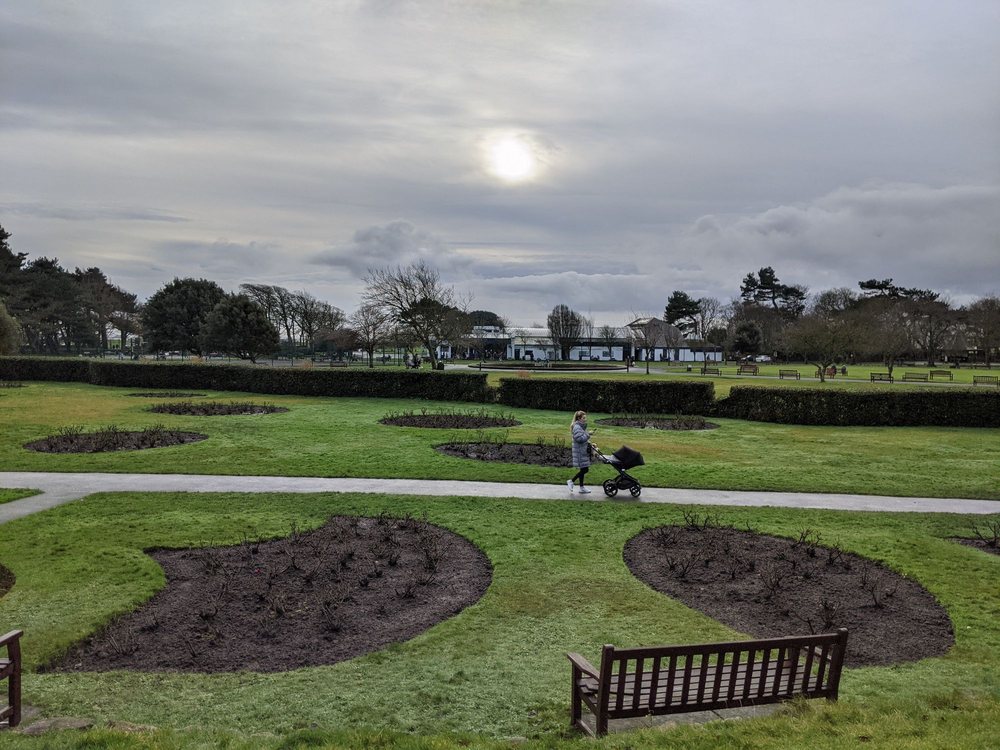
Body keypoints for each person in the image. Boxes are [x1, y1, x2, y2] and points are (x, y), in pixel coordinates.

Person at [567, 410, 596, 494]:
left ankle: (581, 488)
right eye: (584, 418)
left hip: (582, 450)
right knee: (585, 469)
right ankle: (571, 481)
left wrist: (589, 443)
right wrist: (588, 434)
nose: (585, 419)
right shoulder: (577, 427)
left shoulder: (580, 427)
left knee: (584, 468)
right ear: (579, 418)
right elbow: (579, 439)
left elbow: (582, 438)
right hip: (580, 452)